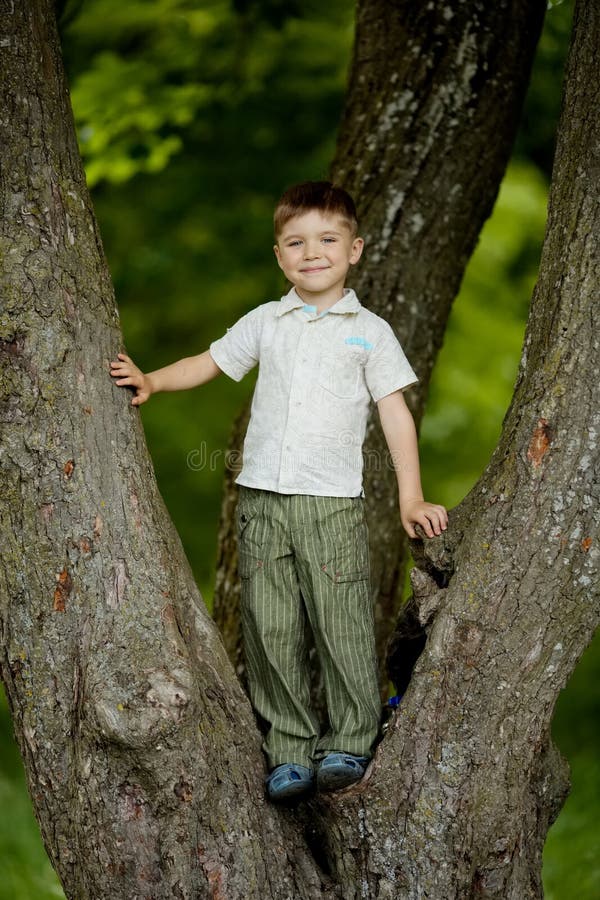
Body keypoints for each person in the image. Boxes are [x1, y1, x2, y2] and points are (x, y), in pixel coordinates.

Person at [110, 181, 448, 802]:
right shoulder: (267, 322)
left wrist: (411, 497)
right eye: (296, 242)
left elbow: (396, 414)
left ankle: (349, 741)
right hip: (262, 501)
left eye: (327, 240)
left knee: (340, 621)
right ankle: (290, 749)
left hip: (331, 504)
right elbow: (210, 362)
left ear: (355, 250)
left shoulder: (369, 332)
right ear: (279, 255)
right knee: (270, 628)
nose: (311, 252)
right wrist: (153, 379)